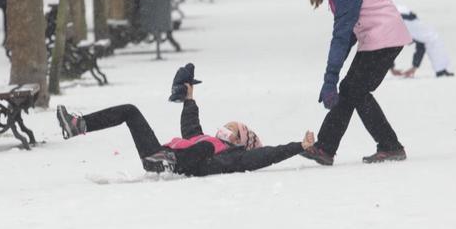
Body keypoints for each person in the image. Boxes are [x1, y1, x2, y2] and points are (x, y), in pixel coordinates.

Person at [54, 67, 315, 177]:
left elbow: (265, 156)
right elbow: (191, 125)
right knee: (130, 111)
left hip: (179, 166)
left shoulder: (232, 156)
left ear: (238, 140)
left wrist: (299, 146)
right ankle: (78, 125)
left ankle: (168, 161)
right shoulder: (206, 140)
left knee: (205, 148)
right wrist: (189, 95)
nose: (225, 127)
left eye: (231, 127)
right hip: (157, 156)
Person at [299, 0, 412, 166]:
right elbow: (348, 32)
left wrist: (330, 79)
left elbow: (341, 35)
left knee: (355, 90)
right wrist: (332, 78)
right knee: (352, 89)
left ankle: (389, 146)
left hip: (384, 36)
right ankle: (326, 148)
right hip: (378, 36)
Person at [390, 4, 453, 78]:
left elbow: (386, 48)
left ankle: (441, 70)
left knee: (430, 38)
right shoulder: (410, 28)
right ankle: (441, 70)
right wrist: (414, 66)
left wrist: (392, 68)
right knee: (432, 38)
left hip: (397, 16)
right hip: (400, 16)